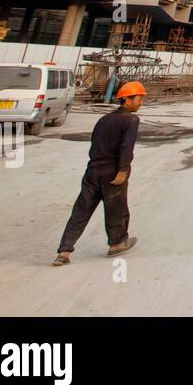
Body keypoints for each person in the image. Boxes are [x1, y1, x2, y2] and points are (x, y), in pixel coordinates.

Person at [53, 81, 143, 266]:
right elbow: (126, 147)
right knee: (116, 210)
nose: (140, 102)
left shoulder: (104, 119)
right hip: (112, 173)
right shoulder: (131, 120)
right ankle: (117, 244)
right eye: (138, 98)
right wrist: (123, 170)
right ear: (126, 100)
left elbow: (95, 142)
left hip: (92, 172)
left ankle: (64, 251)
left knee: (81, 211)